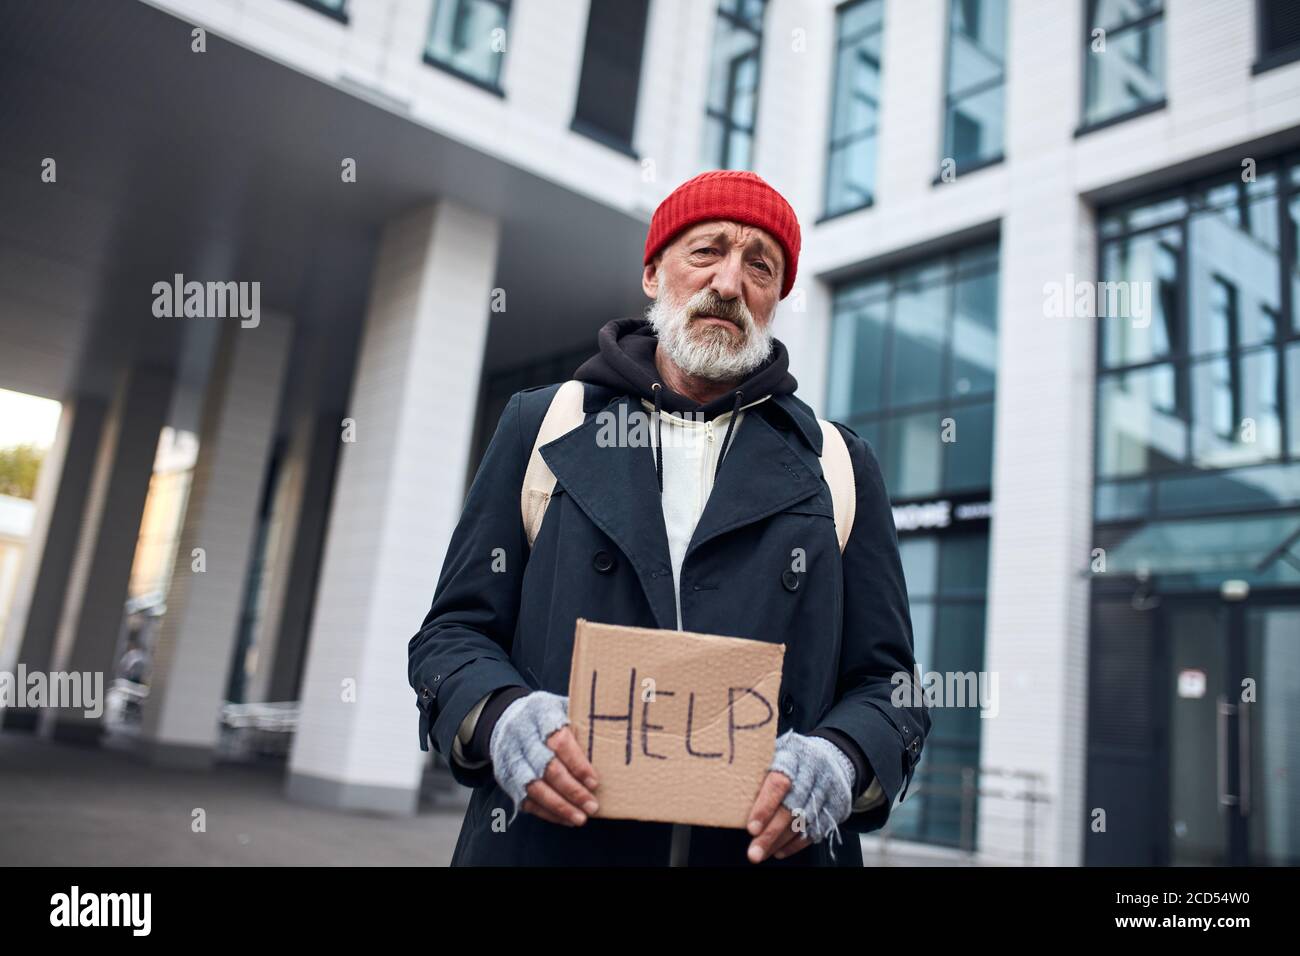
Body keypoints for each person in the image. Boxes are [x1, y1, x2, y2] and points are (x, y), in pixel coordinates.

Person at [409, 169, 930, 866]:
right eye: (706, 252)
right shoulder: (545, 424)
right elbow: (451, 635)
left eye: (759, 266)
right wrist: (502, 715)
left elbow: (890, 687)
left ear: (776, 298)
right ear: (654, 273)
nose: (727, 284)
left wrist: (839, 761)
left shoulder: (838, 462)